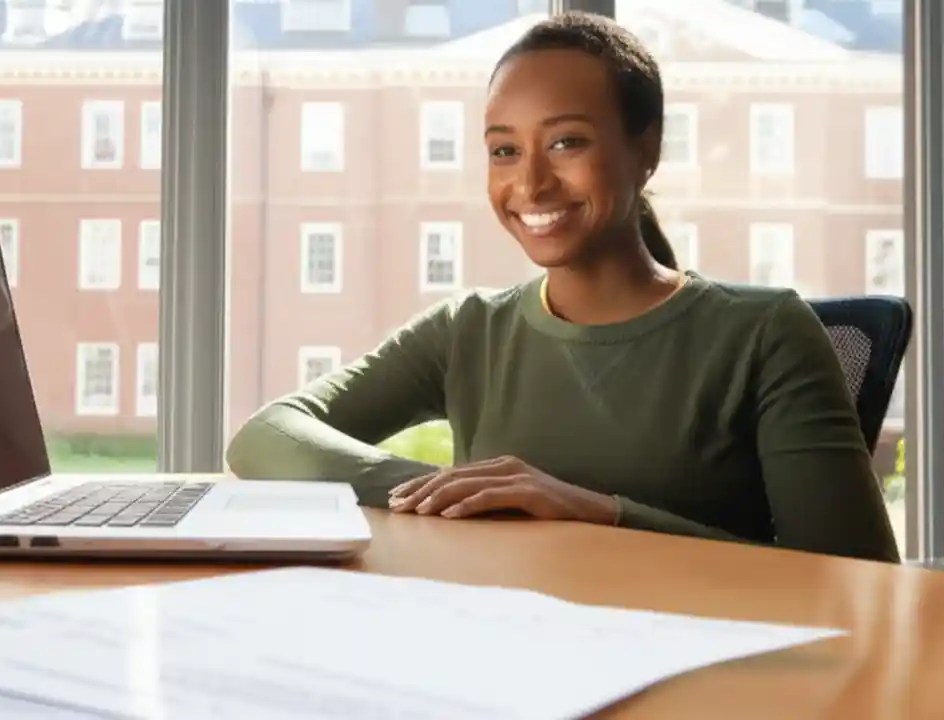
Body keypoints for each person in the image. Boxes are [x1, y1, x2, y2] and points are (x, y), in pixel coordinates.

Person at [224, 12, 900, 563]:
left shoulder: (764, 334)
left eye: (567, 143)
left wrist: (598, 512)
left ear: (647, 148)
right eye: (504, 150)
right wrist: (452, 493)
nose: (530, 185)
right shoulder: (469, 331)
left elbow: (856, 580)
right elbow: (266, 438)